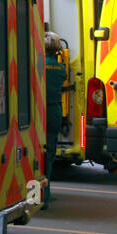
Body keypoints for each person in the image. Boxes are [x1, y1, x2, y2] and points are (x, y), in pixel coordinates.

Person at [43, 33, 66, 209]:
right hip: (54, 111)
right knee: (49, 154)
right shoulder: (61, 70)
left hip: (38, 112)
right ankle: (46, 192)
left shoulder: (37, 65)